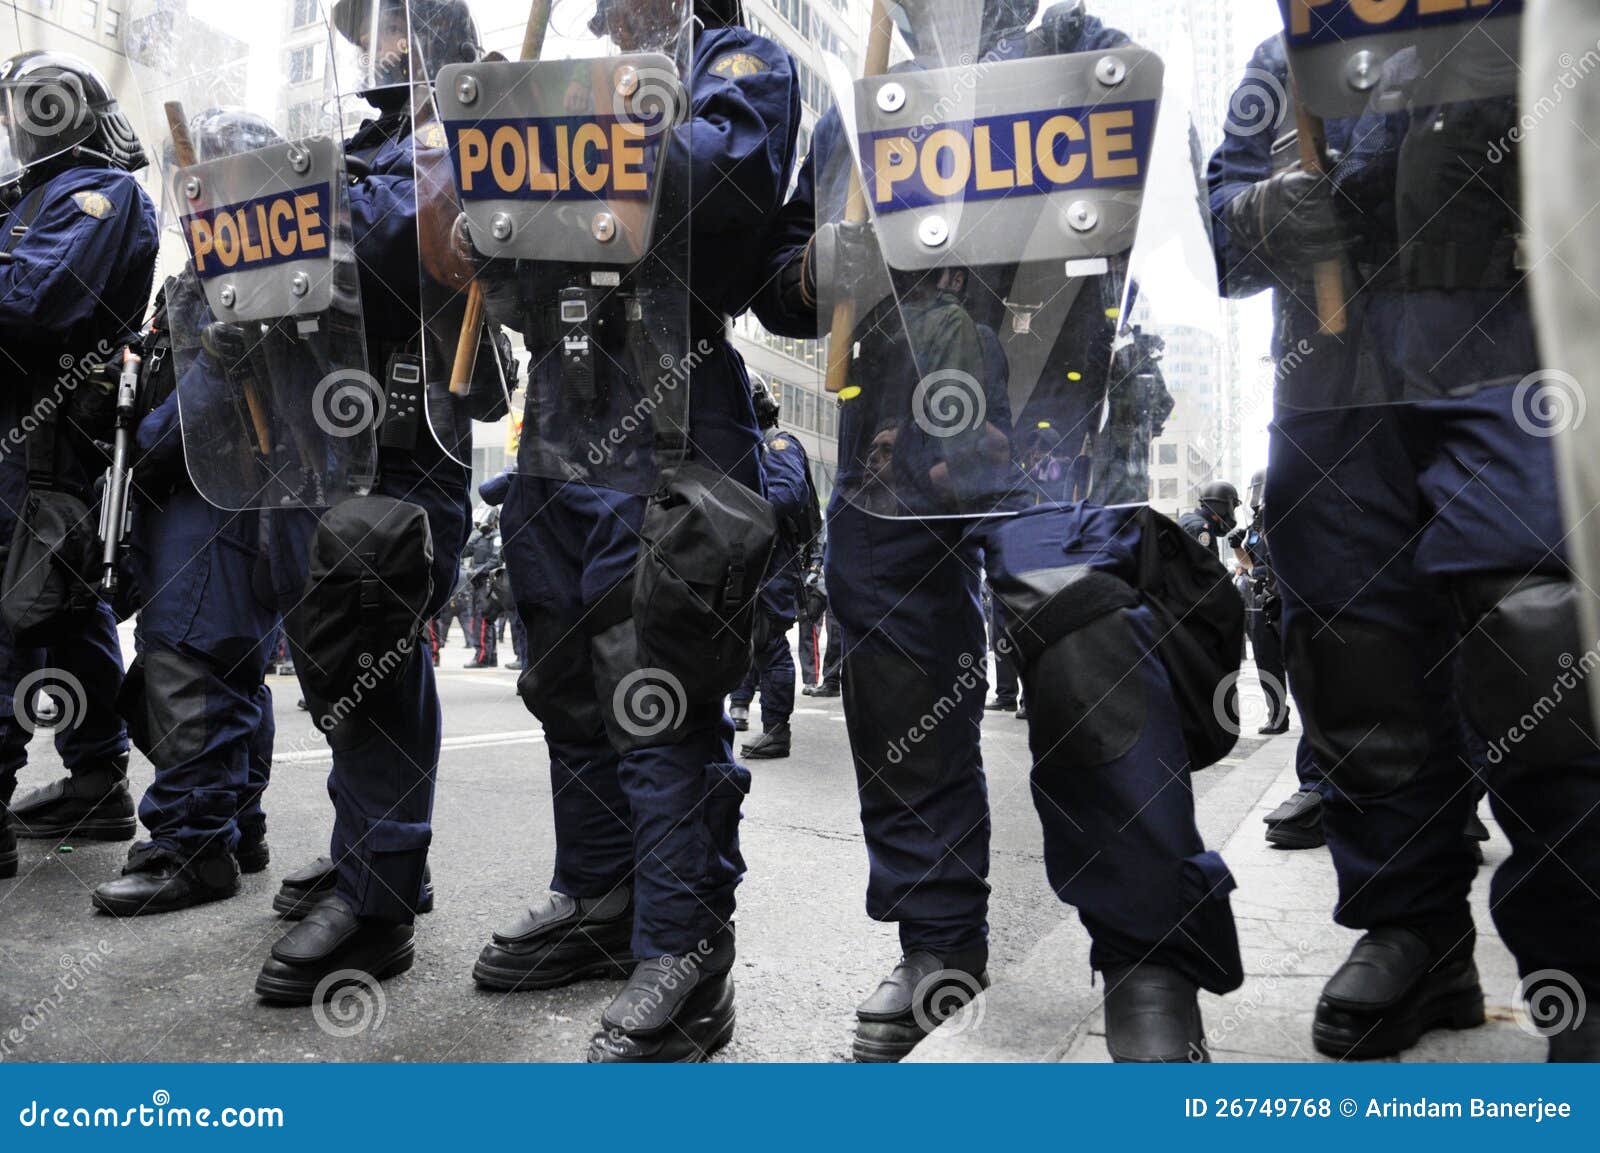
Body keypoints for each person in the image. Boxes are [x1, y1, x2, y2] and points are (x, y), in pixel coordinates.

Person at [754, 0, 1245, 1062]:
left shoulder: (1080, 55)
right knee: (896, 690)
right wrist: (817, 266)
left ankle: (1147, 956)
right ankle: (937, 943)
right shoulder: (860, 110)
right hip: (889, 446)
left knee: (1087, 660)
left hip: (1045, 446)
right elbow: (777, 281)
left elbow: (1164, 192)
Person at [1208, 23, 1599, 1060]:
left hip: (1513, 352)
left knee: (1538, 633)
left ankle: (1582, 955)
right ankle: (1412, 929)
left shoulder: (1547, 22)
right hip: (1334, 380)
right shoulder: (1288, 51)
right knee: (1353, 649)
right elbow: (1218, 220)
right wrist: (1262, 213)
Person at [471, 0, 801, 1062]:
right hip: (561, 415)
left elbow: (714, 182)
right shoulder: (587, 92)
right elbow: (516, 270)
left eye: (629, 11)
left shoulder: (737, 62)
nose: (615, 24)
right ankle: (599, 895)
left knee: (653, 690)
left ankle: (684, 950)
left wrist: (538, 138)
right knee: (567, 680)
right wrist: (487, 162)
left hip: (667, 418)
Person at [255, 0, 478, 1001]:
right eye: (364, 33)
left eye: (391, 29)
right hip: (325, 430)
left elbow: (408, 248)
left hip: (405, 422)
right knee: (342, 645)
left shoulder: (459, 130)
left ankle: (379, 899)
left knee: (375, 636)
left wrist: (308, 205)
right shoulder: (366, 141)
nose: (374, 45)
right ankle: (378, 851)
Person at [0, 48, 152, 873]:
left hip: (47, 443)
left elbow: (38, 299)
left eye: (34, 104)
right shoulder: (22, 201)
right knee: (63, 610)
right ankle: (96, 778)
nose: (19, 123)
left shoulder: (104, 193)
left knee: (19, 602)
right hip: (24, 442)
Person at [728, 377, 818, 759]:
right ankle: (764, 722)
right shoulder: (756, 445)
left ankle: (777, 731)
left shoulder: (776, 445)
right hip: (758, 559)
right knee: (755, 643)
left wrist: (736, 509)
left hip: (771, 560)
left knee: (770, 644)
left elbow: (786, 495)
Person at [464, 506, 500, 669]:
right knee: (484, 619)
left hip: (487, 583)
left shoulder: (496, 537)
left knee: (483, 619)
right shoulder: (480, 538)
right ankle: (491, 657)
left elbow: (496, 560)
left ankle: (482, 657)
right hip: (478, 584)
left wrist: (477, 571)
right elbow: (465, 550)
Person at [1178, 480, 1240, 561]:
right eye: (1232, 507)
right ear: (1221, 508)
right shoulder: (1202, 529)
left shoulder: (1186, 518)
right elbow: (1206, 569)